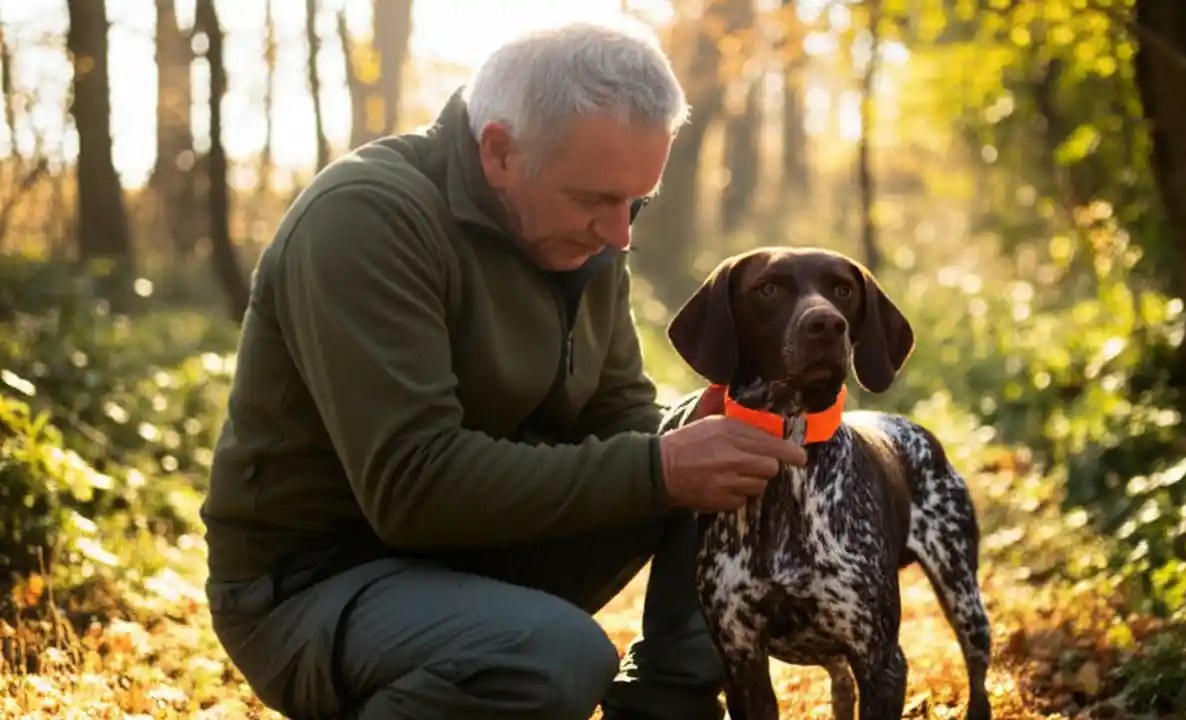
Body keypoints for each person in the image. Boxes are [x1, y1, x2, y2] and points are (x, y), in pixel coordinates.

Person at [200, 16, 807, 720]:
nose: (621, 234)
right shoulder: (365, 220)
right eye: (595, 200)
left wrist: (701, 445)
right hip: (313, 587)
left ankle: (667, 708)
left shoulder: (587, 241)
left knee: (732, 442)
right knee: (553, 657)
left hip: (483, 553)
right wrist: (661, 468)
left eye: (636, 202)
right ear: (499, 152)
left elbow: (621, 421)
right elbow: (413, 487)